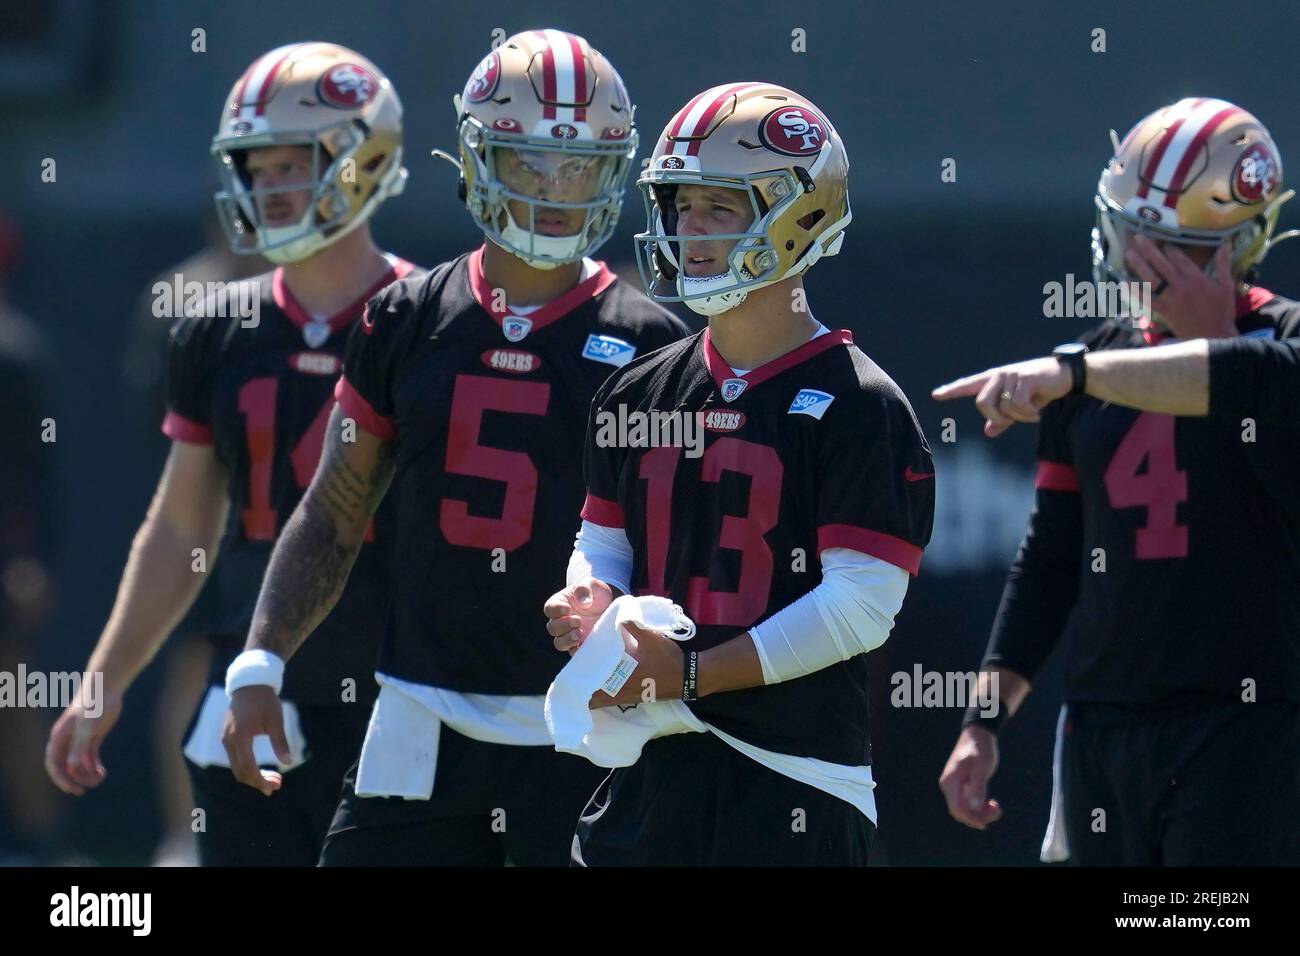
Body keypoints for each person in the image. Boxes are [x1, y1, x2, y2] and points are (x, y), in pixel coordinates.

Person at [221, 30, 689, 866]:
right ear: (478, 160)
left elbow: (679, 550)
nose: (555, 191)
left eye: (576, 167)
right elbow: (334, 509)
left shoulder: (650, 342)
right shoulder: (406, 317)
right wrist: (262, 658)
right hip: (420, 713)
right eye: (528, 163)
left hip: (588, 721)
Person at [45, 42, 418, 866]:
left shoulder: (429, 318)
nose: (273, 184)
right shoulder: (217, 325)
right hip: (252, 690)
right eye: (258, 165)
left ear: (368, 162)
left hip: (404, 697)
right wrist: (104, 680)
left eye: (296, 161)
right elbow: (180, 530)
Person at [543, 83, 934, 865]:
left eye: (720, 208)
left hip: (794, 779)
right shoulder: (637, 386)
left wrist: (691, 674)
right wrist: (594, 593)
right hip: (648, 773)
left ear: (802, 215)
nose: (691, 231)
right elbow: (604, 536)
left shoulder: (861, 404)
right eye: (681, 206)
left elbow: (860, 607)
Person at [935, 98, 1300, 866]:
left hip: (1250, 727)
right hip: (1103, 726)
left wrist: (1078, 371)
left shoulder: (1282, 346)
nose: (1137, 259)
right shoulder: (1098, 361)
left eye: (1168, 246)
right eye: (1132, 234)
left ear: (1239, 246)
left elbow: (1249, 393)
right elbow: (1052, 557)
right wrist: (983, 721)